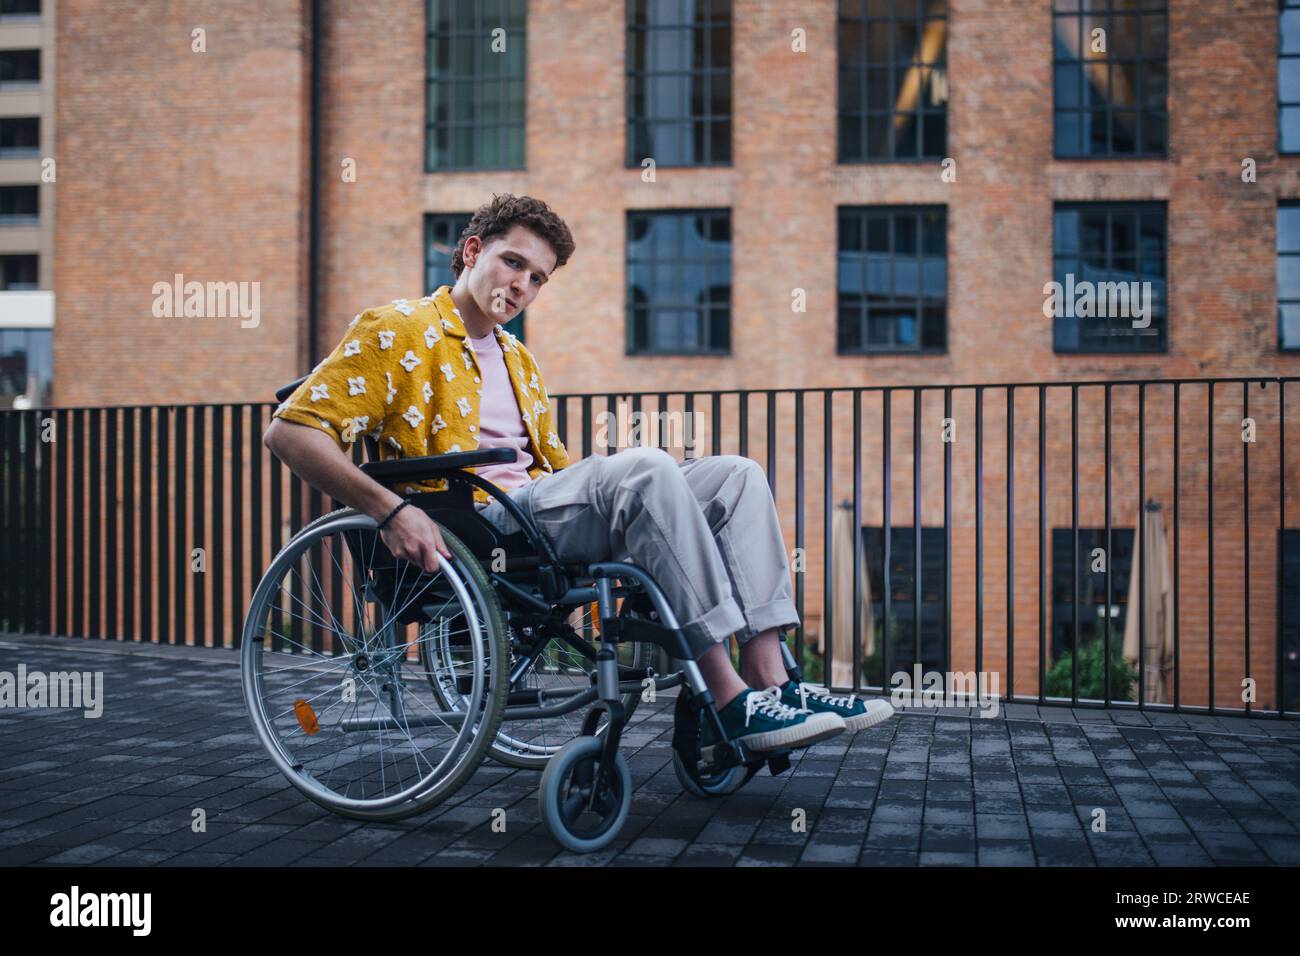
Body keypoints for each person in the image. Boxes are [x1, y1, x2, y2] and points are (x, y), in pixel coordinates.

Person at [263, 192, 894, 759]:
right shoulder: (398, 329)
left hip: (534, 511)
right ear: (473, 252)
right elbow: (289, 432)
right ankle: (727, 701)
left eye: (537, 278)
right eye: (513, 263)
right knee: (645, 469)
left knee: (736, 475)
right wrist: (390, 510)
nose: (522, 286)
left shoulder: (517, 358)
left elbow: (554, 471)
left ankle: (771, 682)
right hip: (473, 520)